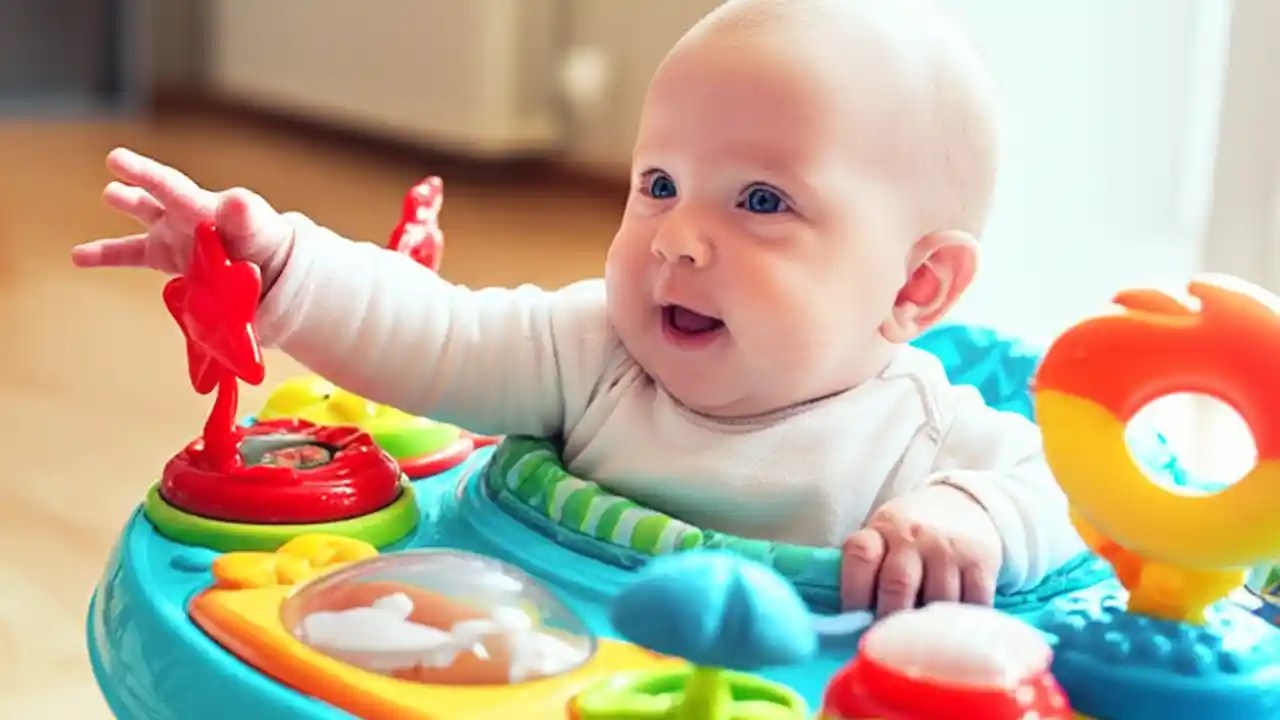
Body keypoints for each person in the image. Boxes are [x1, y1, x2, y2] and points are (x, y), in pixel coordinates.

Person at [72, 0, 1084, 615]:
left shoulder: (920, 432)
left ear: (914, 288)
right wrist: (278, 261)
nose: (677, 236)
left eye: (761, 202)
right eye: (657, 183)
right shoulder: (594, 350)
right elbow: (437, 336)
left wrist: (968, 518)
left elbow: (1068, 498)